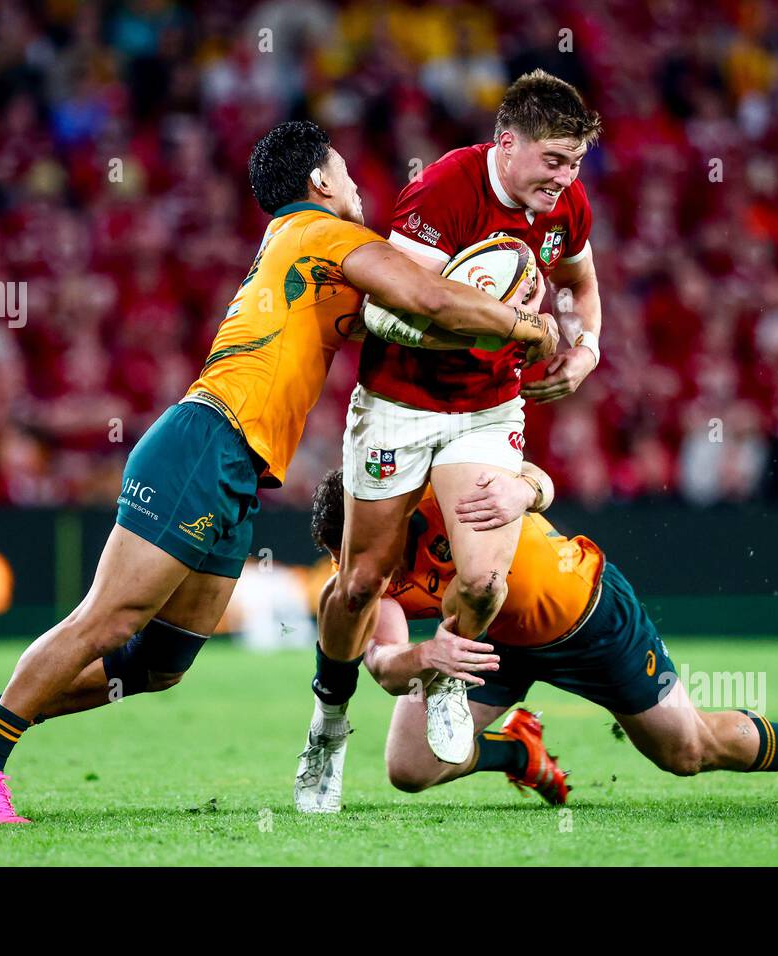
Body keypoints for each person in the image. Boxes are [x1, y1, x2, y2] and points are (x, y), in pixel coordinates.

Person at [0, 120, 558, 823]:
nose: (357, 185)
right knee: (108, 619)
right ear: (320, 181)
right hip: (207, 439)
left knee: (160, 661)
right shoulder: (324, 234)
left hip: (238, 465)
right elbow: (431, 298)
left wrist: (485, 324)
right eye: (346, 171)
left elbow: (410, 322)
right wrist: (526, 329)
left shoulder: (306, 251)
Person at [298, 69, 605, 813]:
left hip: (487, 410)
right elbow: (410, 310)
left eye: (576, 163)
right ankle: (327, 729)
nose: (566, 180)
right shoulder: (441, 193)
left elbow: (581, 283)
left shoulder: (565, 206)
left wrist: (587, 347)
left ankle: (444, 685)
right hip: (400, 405)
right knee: (362, 582)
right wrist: (521, 325)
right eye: (554, 161)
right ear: (508, 144)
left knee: (482, 581)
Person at [305, 466, 778, 809]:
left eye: (350, 547)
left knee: (686, 752)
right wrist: (426, 655)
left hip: (585, 615)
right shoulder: (363, 574)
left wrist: (526, 492)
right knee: (409, 767)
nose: (347, 567)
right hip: (486, 643)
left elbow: (536, 477)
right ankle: (519, 752)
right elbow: (381, 663)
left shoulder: (439, 486)